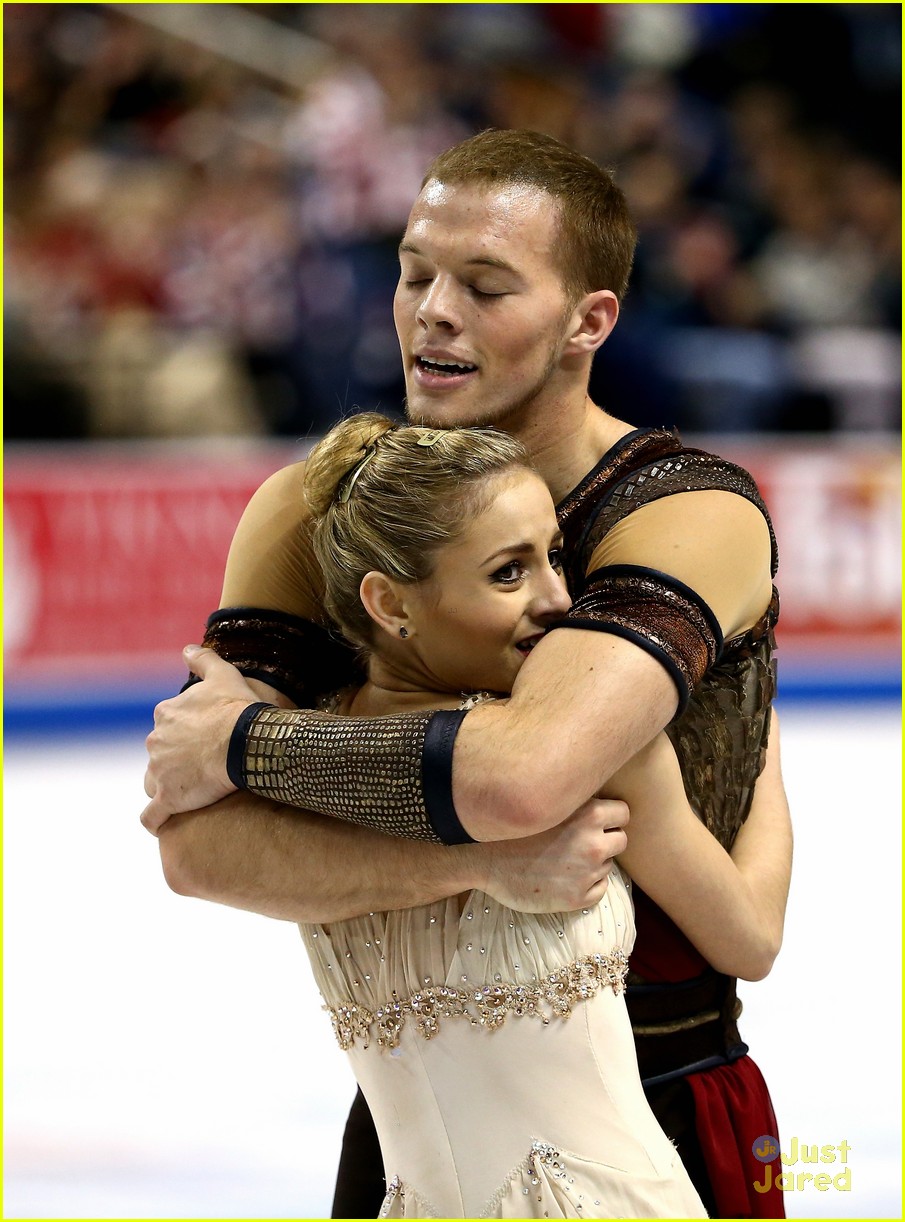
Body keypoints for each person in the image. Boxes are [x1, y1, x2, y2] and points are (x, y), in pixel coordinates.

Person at [143, 129, 791, 1218]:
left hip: (666, 1103)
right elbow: (196, 846)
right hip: (408, 1131)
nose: (431, 312)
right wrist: (473, 870)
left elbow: (523, 779)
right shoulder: (313, 513)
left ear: (588, 321)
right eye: (413, 275)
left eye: (485, 286)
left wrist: (246, 743)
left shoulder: (682, 511)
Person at [245, 409, 786, 1218]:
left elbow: (746, 946)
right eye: (507, 573)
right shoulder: (585, 759)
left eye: (553, 557)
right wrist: (764, 733)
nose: (558, 599)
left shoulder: (295, 755)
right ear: (389, 603)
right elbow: (749, 935)